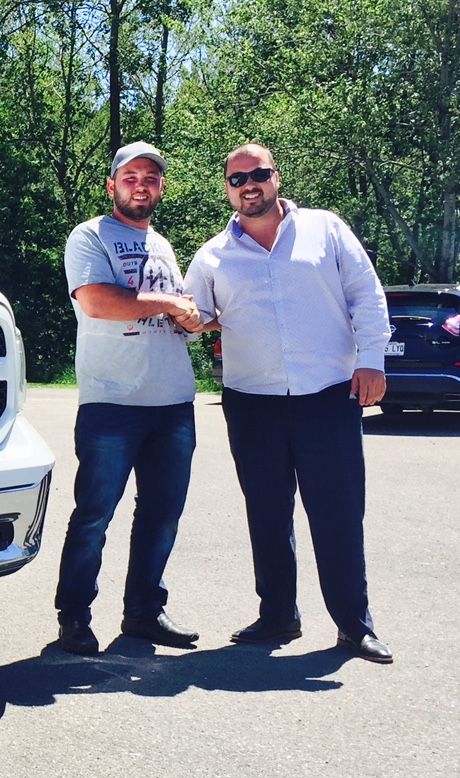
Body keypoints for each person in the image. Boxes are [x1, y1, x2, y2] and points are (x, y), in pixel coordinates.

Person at [183, 143, 393, 663]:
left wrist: (372, 359)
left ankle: (354, 625)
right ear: (227, 189)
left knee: (338, 512)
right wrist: (181, 316)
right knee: (268, 514)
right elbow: (191, 318)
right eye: (237, 179)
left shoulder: (326, 229)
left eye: (257, 174)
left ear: (276, 177)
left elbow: (366, 294)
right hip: (252, 401)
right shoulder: (212, 255)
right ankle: (278, 615)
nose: (248, 185)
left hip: (328, 395)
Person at [54, 141, 204, 656]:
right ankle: (74, 616)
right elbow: (97, 302)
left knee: (162, 514)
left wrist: (193, 319)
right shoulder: (90, 236)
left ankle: (143, 612)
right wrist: (171, 304)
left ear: (161, 187)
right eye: (131, 176)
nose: (141, 184)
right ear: (112, 185)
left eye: (152, 177)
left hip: (173, 404)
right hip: (112, 402)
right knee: (95, 514)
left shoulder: (162, 244)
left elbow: (186, 322)